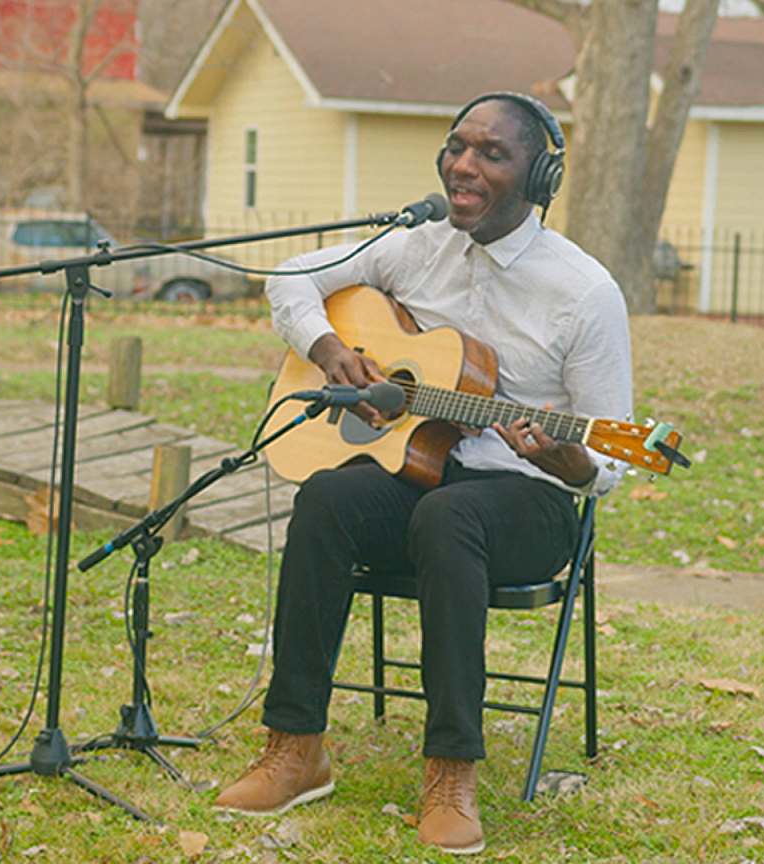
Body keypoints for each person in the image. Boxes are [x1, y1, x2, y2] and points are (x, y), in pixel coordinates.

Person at [213, 92, 633, 856]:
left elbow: (604, 463)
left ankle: (451, 772)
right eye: (456, 147)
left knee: (451, 520)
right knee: (328, 495)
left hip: (528, 503)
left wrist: (562, 453)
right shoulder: (416, 245)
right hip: (421, 470)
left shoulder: (585, 293)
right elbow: (293, 278)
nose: (462, 167)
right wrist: (328, 350)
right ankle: (295, 746)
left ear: (539, 177)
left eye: (491, 154)